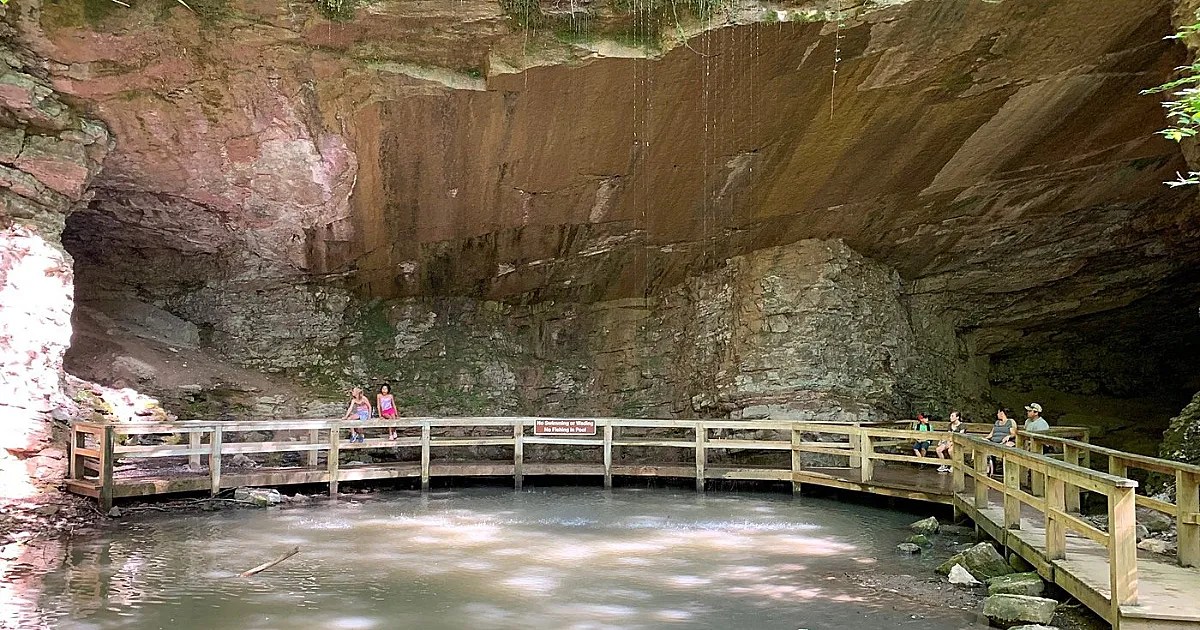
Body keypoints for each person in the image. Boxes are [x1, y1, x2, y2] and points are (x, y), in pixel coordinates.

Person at [986, 408, 1017, 476]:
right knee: (983, 445)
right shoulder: (997, 422)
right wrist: (984, 439)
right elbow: (991, 434)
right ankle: (989, 470)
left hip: (1003, 442)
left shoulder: (1010, 422)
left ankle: (1005, 471)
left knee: (1006, 448)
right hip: (993, 442)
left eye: (998, 413)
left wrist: (1008, 436)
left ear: (1002, 413)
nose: (997, 414)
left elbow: (1013, 434)